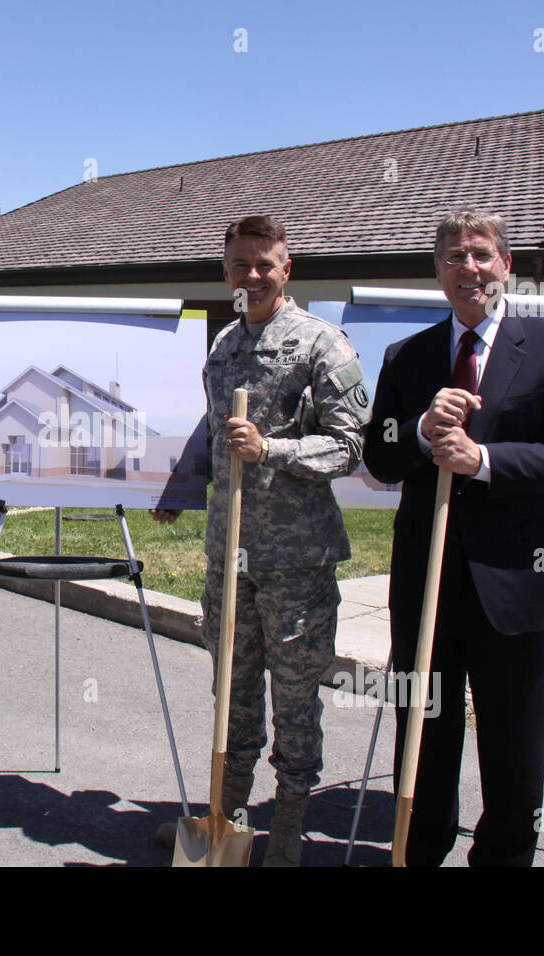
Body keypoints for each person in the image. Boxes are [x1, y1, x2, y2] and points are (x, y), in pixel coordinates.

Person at [363, 208, 544, 866]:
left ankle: (502, 856)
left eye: (481, 254)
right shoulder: (406, 357)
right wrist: (416, 432)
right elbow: (380, 457)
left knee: (513, 742)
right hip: (429, 579)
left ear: (506, 265)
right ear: (437, 271)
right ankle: (421, 846)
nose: (469, 267)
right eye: (454, 256)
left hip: (519, 580)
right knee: (424, 732)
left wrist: (483, 462)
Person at [154, 215, 370, 865]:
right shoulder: (222, 346)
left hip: (296, 559)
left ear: (287, 268)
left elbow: (350, 445)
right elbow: (216, 429)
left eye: (264, 264)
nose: (252, 275)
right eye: (240, 265)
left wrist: (272, 449)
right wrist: (181, 483)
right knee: (233, 689)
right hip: (231, 557)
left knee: (296, 693)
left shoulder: (323, 346)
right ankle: (226, 817)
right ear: (224, 271)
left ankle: (290, 827)